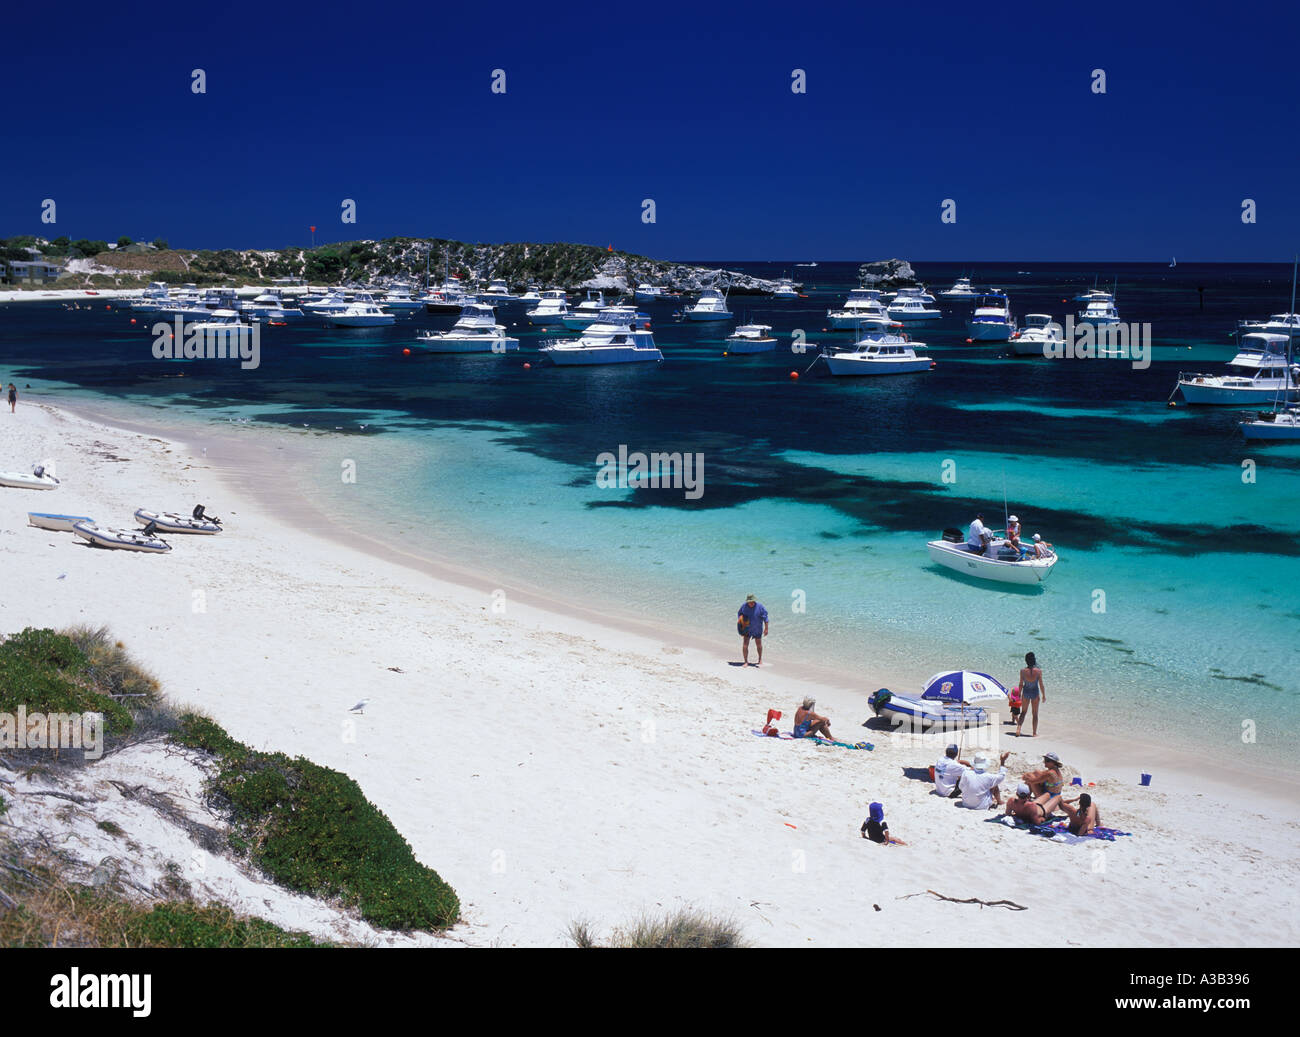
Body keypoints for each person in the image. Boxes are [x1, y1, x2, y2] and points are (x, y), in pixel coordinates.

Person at [1016, 652, 1046, 737]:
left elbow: (1021, 684)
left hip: (1025, 692)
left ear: (1026, 661)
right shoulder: (1038, 671)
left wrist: (1019, 694)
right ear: (1034, 660)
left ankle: (1018, 728)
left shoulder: (1022, 671)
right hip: (1035, 693)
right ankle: (1034, 733)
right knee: (1035, 714)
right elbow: (1041, 684)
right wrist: (1044, 695)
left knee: (1023, 712)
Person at [737, 593, 769, 667]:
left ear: (754, 601)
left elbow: (766, 618)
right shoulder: (744, 606)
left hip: (757, 628)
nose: (751, 603)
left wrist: (766, 629)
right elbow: (739, 615)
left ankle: (760, 659)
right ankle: (745, 661)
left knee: (759, 644)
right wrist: (740, 626)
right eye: (749, 602)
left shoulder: (760, 607)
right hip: (747, 629)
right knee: (745, 644)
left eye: (752, 601)